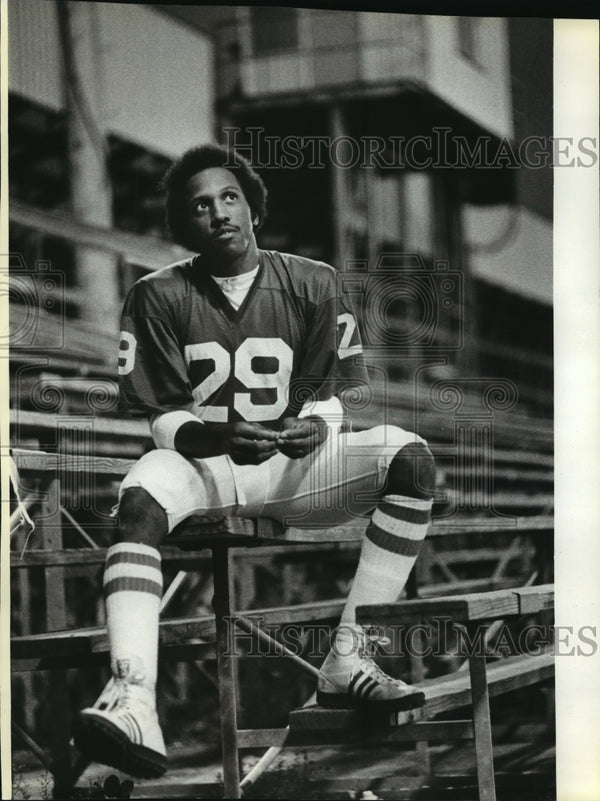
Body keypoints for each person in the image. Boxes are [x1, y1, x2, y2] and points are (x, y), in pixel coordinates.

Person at [73, 144, 436, 778]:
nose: (217, 212)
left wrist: (311, 427)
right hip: (210, 466)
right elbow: (161, 417)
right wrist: (219, 439)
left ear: (253, 208)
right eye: (200, 206)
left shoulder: (312, 280)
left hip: (294, 468)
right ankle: (133, 698)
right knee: (138, 501)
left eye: (229, 197)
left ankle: (349, 658)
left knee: (409, 457)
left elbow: (334, 397)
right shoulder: (156, 294)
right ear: (184, 226)